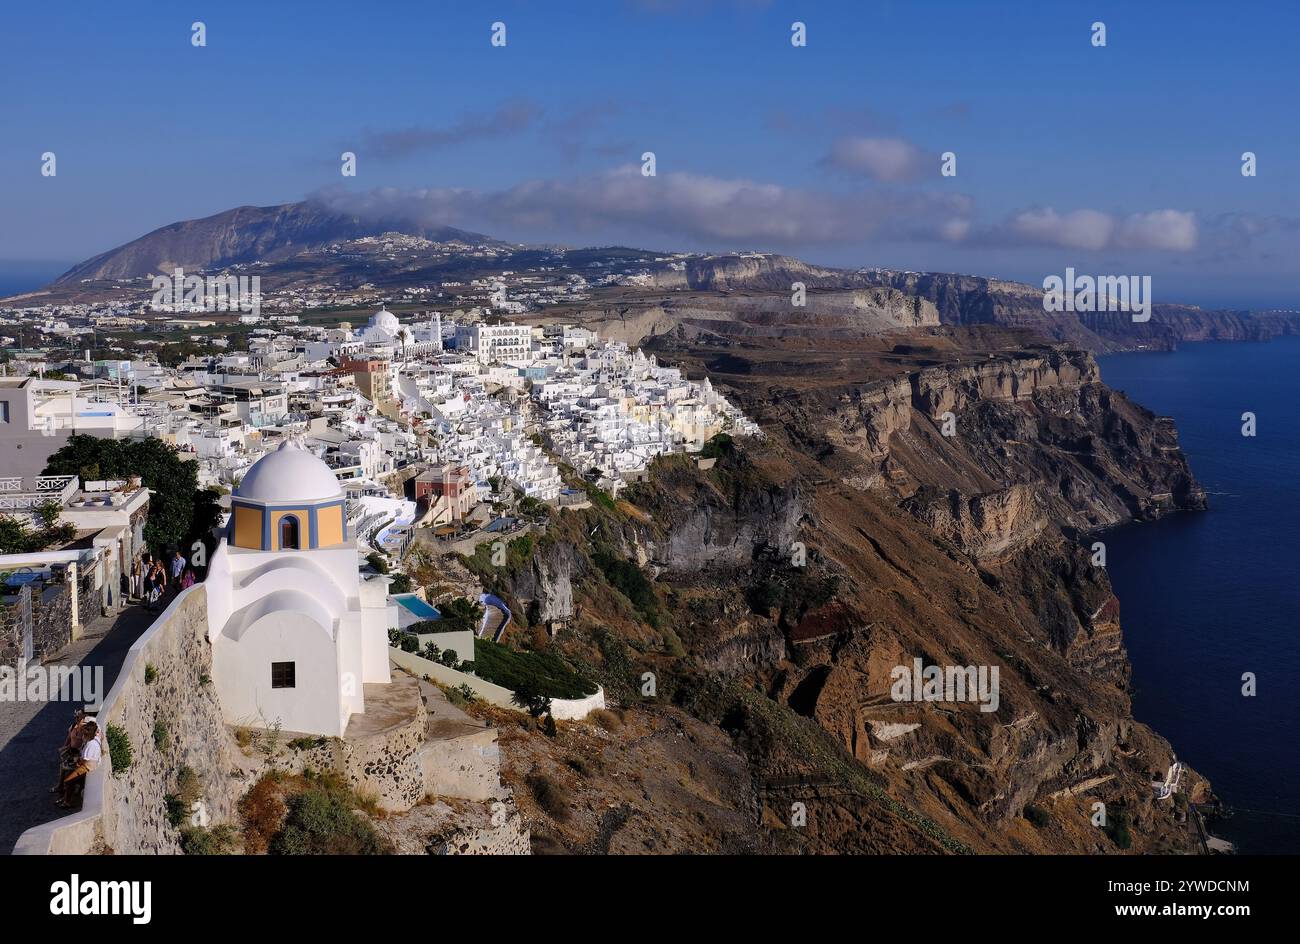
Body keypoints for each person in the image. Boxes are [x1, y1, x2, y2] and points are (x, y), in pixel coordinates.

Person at [57, 720, 100, 809]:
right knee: (68, 775)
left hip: (87, 767)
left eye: (84, 734)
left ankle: (67, 802)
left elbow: (85, 760)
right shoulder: (91, 741)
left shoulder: (91, 745)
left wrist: (76, 763)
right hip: (86, 765)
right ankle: (65, 798)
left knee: (68, 780)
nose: (82, 736)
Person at [50, 709, 87, 793]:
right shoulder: (74, 726)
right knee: (62, 767)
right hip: (71, 751)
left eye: (78, 717)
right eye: (76, 717)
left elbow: (84, 743)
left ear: (84, 717)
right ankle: (60, 785)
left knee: (67, 769)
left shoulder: (85, 729)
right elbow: (69, 737)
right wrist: (65, 746)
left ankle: (65, 790)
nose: (76, 718)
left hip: (78, 754)